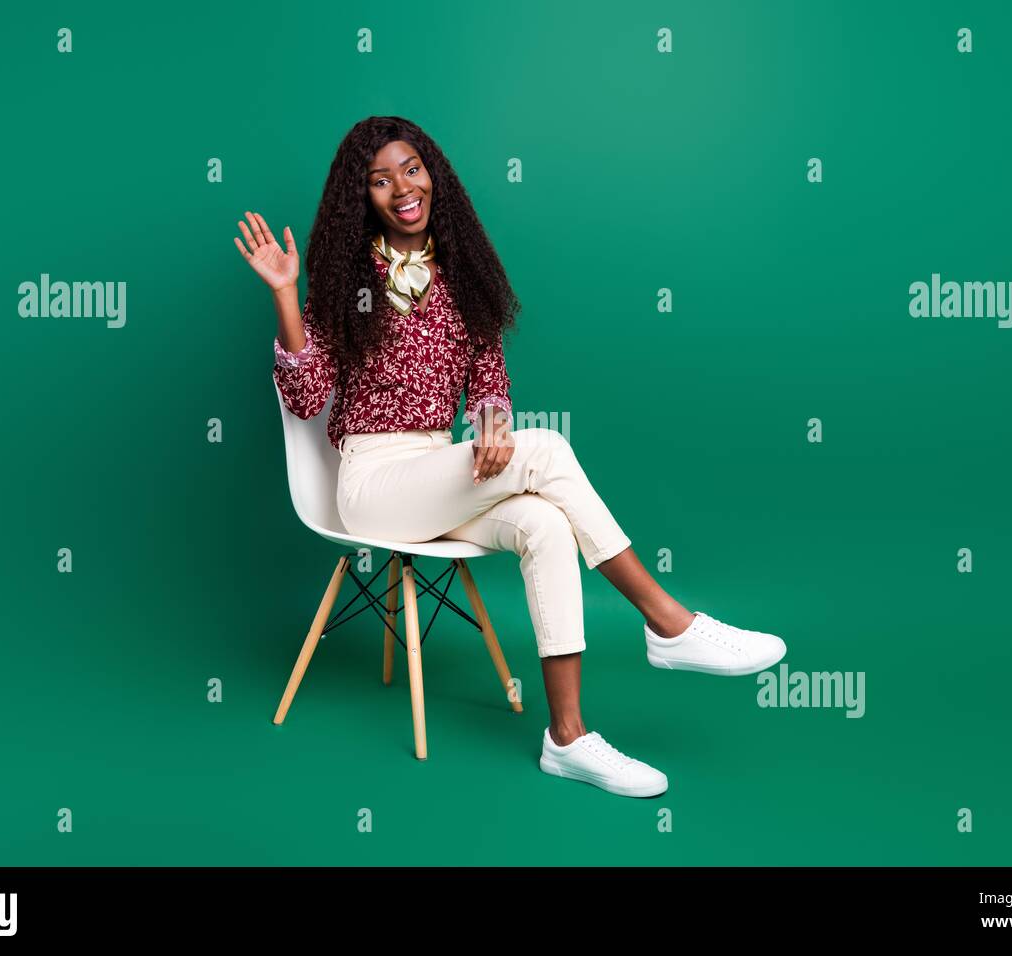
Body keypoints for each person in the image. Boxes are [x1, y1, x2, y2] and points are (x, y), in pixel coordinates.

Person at [235, 116, 787, 798]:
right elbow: (305, 395)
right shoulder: (350, 277)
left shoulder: (466, 276)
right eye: (380, 180)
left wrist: (493, 423)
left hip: (441, 470)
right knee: (548, 448)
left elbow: (490, 385)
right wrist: (287, 296)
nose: (402, 188)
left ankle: (569, 738)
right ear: (363, 198)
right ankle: (667, 622)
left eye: (411, 168)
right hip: (373, 481)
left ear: (433, 172)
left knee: (545, 525)